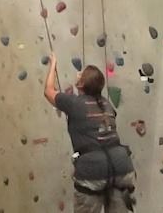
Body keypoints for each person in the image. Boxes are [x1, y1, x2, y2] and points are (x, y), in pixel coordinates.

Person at [44, 54, 136, 212]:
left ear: (80, 85)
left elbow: (48, 91)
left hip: (92, 170)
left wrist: (53, 64)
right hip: (122, 167)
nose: (78, 73)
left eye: (81, 74)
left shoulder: (74, 103)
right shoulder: (107, 104)